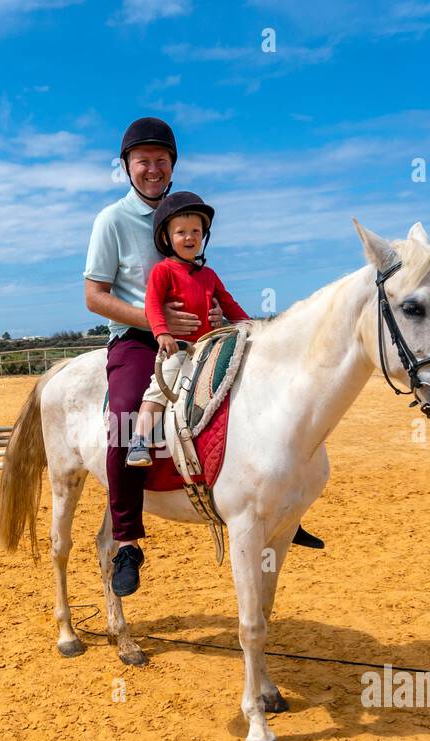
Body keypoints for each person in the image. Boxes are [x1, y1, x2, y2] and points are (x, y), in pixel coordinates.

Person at [83, 118, 322, 600]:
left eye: (161, 160)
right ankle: (127, 539)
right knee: (125, 416)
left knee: (258, 401)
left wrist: (224, 318)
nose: (153, 168)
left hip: (200, 338)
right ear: (126, 166)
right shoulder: (110, 220)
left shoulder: (184, 218)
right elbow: (93, 295)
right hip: (137, 338)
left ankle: (279, 508)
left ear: (173, 164)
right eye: (143, 160)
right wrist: (157, 322)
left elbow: (209, 289)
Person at [127, 191, 248, 466]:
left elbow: (230, 304)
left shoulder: (209, 275)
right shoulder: (163, 271)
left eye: (196, 230)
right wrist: (162, 333)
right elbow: (153, 306)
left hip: (210, 347)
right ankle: (139, 440)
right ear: (167, 238)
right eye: (181, 232)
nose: (190, 237)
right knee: (159, 389)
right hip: (179, 348)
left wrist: (251, 328)